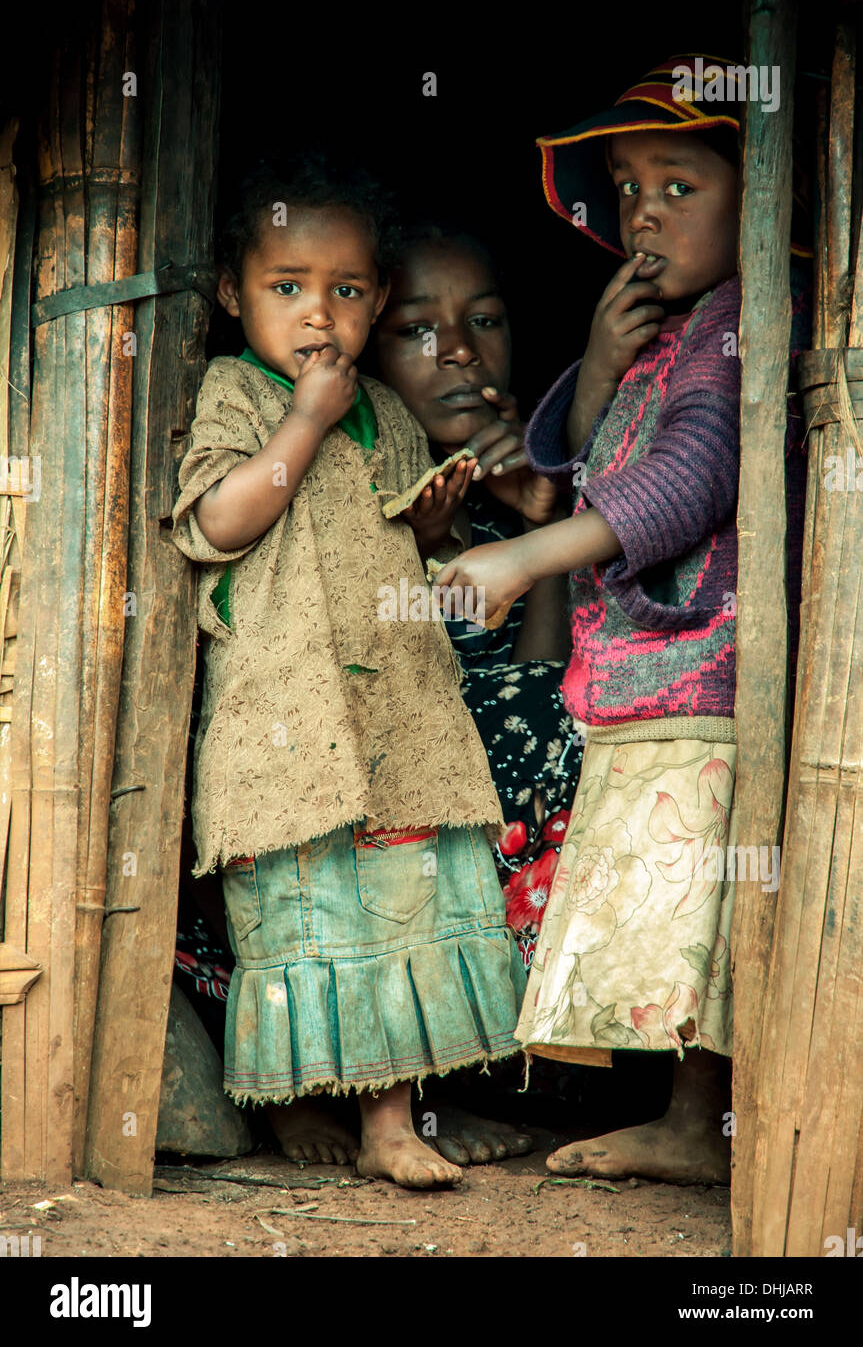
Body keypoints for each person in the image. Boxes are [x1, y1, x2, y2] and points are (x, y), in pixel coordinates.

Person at [435, 57, 810, 1184]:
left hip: (712, 670)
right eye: (626, 183)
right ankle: (695, 1122)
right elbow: (578, 457)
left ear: (767, 196)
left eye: (678, 183)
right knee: (686, 913)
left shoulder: (749, 319)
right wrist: (597, 364)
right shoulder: (669, 329)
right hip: (655, 676)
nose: (642, 208)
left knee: (702, 906)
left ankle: (710, 1124)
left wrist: (525, 552)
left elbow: (688, 481)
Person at [171, 152, 526, 1190]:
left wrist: (434, 522)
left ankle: (398, 1105)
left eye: (346, 290)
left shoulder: (385, 405)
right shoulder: (233, 391)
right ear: (234, 294)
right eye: (286, 288)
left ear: (375, 301)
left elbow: (392, 540)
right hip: (290, 723)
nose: (317, 313)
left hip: (393, 714)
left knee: (399, 910)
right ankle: (331, 1116)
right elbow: (218, 522)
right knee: (309, 918)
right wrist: (305, 417)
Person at [372, 225, 585, 1161]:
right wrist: (420, 551)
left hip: (482, 819)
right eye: (418, 327)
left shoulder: (518, 495)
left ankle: (497, 1064)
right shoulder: (350, 486)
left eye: (484, 319)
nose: (458, 348)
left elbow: (540, 704)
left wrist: (539, 526)